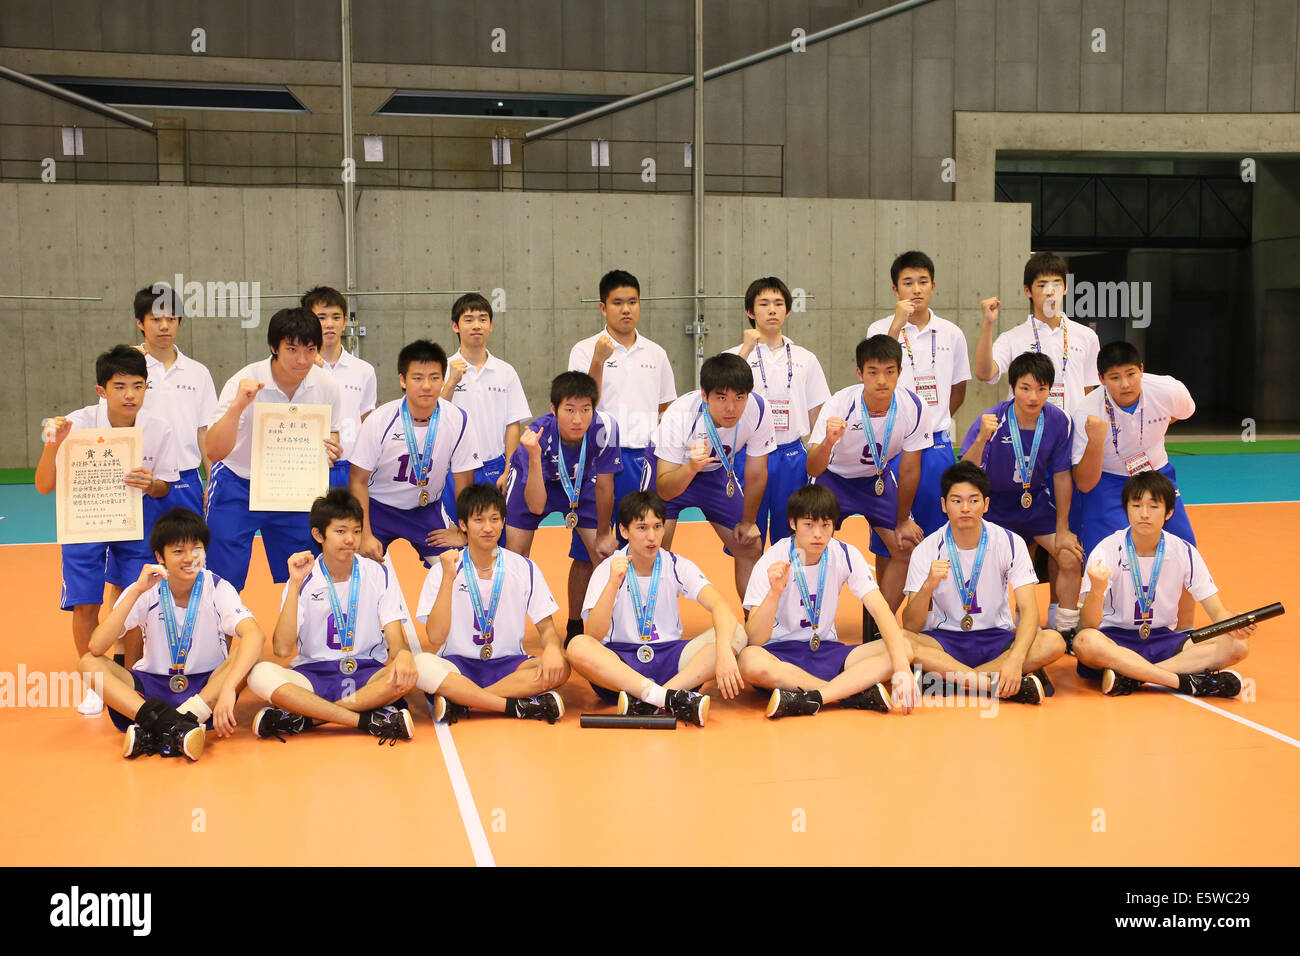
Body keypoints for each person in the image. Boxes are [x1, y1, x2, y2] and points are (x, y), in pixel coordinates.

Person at [35, 346, 180, 707]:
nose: (129, 395)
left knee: (135, 603)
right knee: (86, 604)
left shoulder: (159, 429)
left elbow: (166, 485)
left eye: (137, 386)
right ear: (102, 390)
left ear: (147, 388)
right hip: (84, 523)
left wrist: (152, 484)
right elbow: (43, 485)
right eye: (119, 386)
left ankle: (131, 678)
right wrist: (53, 445)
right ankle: (94, 682)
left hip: (134, 522)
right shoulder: (76, 424)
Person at [78, 508, 265, 760]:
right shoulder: (145, 589)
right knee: (88, 663)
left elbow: (255, 636)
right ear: (160, 556)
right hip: (151, 686)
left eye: (196, 549)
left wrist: (230, 688)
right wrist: (135, 591)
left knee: (249, 651)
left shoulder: (218, 587)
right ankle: (177, 726)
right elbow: (97, 646)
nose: (190, 558)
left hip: (206, 690)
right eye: (178, 551)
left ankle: (156, 728)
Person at [244, 489, 420, 744]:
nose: (350, 539)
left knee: (413, 669)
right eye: (340, 531)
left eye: (356, 531)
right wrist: (294, 585)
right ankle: (366, 718)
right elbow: (282, 649)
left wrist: (404, 655)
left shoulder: (377, 573)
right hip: (313, 674)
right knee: (259, 674)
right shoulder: (303, 577)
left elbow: (396, 639)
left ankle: (306, 717)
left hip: (367, 671)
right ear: (318, 534)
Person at [566, 491, 747, 726]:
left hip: (671, 661)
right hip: (621, 666)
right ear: (623, 531)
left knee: (736, 632)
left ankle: (654, 698)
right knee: (577, 645)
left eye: (657, 526)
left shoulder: (675, 564)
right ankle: (667, 698)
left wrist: (723, 651)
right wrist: (613, 584)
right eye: (642, 528)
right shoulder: (608, 569)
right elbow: (594, 635)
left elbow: (720, 605)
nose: (651, 536)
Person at [738, 484, 919, 719]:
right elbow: (754, 638)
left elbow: (879, 608)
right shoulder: (772, 560)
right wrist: (774, 593)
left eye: (826, 525)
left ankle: (814, 697)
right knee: (749, 661)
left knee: (904, 648)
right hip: (781, 654)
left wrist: (903, 668)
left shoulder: (844, 554)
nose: (818, 534)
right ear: (792, 524)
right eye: (809, 525)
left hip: (826, 650)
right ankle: (850, 692)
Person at [1072, 471, 1251, 697]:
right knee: (1085, 642)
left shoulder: (1183, 551)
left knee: (1237, 645)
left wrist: (1236, 624)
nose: (1144, 514)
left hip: (1163, 640)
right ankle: (1184, 682)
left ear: (1169, 512)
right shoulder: (1107, 549)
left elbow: (1217, 612)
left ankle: (1133, 678)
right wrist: (1097, 589)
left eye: (1153, 507)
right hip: (1114, 640)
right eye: (1136, 506)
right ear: (1126, 509)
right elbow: (1088, 623)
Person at [902, 462, 1066, 704]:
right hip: (946, 640)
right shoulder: (927, 549)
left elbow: (1030, 611)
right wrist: (928, 586)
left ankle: (955, 680)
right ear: (944, 505)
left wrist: (1015, 658)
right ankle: (991, 684)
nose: (965, 508)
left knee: (1053, 641)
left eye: (974, 500)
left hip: (996, 639)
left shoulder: (1010, 543)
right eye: (957, 501)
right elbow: (910, 624)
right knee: (900, 640)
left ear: (986, 504)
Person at [204, 307, 343, 591]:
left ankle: (294, 637)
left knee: (305, 578)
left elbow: (334, 434)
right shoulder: (244, 381)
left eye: (310, 349)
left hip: (294, 488)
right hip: (238, 484)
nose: (302, 359)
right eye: (292, 349)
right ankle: (220, 637)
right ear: (273, 348)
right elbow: (214, 451)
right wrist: (238, 406)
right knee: (222, 579)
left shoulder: (326, 385)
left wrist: (331, 451)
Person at [415, 484, 568, 723]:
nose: (488, 528)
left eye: (495, 519)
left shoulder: (524, 568)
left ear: (503, 521)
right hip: (458, 666)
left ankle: (462, 700)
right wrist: (448, 579)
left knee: (562, 667)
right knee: (421, 665)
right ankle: (513, 705)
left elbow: (547, 629)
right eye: (479, 520)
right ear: (463, 525)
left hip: (509, 666)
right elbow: (435, 638)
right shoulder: (442, 570)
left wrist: (551, 650)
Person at [961, 351, 1083, 643]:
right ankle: (1006, 624)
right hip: (995, 506)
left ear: (1050, 390)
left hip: (1035, 503)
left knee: (1069, 556)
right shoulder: (992, 419)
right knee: (998, 567)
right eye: (1025, 388)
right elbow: (964, 471)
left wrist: (1064, 528)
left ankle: (1063, 629)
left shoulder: (1058, 420)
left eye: (1041, 389)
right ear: (1013, 388)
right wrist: (981, 439)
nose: (1033, 396)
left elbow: (1062, 475)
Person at [806, 335, 929, 611]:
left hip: (877, 480)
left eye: (889, 372)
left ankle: (879, 626)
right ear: (860, 373)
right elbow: (813, 467)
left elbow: (909, 468)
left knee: (906, 545)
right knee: (812, 547)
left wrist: (902, 520)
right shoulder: (840, 404)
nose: (882, 380)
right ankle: (813, 620)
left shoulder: (914, 407)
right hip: (832, 480)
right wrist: (828, 441)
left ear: (900, 371)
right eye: (873, 372)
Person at [504, 371, 621, 636]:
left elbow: (605, 485)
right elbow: (535, 506)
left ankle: (587, 628)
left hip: (580, 486)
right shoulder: (535, 438)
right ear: (553, 409)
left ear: (594, 407)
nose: (578, 419)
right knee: (514, 559)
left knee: (605, 557)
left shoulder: (606, 428)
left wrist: (603, 534)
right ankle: (508, 633)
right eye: (569, 410)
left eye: (585, 409)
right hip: (535, 483)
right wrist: (534, 458)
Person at [865, 251, 970, 544]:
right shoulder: (880, 330)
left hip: (937, 445)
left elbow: (959, 387)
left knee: (938, 532)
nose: (916, 289)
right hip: (893, 443)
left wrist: (932, 421)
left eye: (923, 282)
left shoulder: (952, 333)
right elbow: (874, 375)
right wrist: (898, 325)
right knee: (890, 536)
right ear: (895, 290)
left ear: (933, 286)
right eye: (908, 283)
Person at [654, 353, 774, 600]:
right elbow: (665, 488)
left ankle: (755, 628)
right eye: (721, 398)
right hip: (673, 472)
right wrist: (690, 468)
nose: (731, 408)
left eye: (739, 397)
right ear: (704, 395)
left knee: (750, 546)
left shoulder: (759, 409)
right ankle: (653, 627)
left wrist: (749, 521)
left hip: (715, 473)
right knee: (653, 546)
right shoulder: (679, 415)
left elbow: (756, 472)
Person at [350, 339, 478, 564]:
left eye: (434, 377)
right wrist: (364, 534)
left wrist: (463, 530)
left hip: (425, 509)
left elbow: (463, 484)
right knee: (359, 568)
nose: (427, 386)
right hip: (378, 509)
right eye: (417, 378)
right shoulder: (380, 420)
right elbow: (358, 480)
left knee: (458, 568)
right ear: (403, 380)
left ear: (443, 379)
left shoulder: (458, 420)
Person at [724, 275, 831, 545]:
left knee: (794, 538)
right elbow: (723, 391)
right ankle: (753, 590)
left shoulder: (806, 358)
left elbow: (817, 410)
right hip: (748, 455)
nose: (772, 309)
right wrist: (747, 349)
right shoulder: (736, 355)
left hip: (792, 455)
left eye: (778, 303)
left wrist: (816, 451)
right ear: (750, 311)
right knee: (747, 540)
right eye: (763, 304)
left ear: (787, 310)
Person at [1070, 340, 1197, 556]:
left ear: (1141, 369)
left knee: (1185, 550)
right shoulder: (1086, 412)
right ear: (1101, 379)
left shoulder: (1169, 390)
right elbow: (1083, 483)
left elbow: (1183, 413)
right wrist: (1095, 441)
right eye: (1115, 377)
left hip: (1157, 472)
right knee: (1104, 554)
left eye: (1131, 374)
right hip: (1109, 479)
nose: (1125, 384)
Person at [974, 251, 1101, 417]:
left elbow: (1088, 389)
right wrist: (988, 324)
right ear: (1028, 291)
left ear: (1065, 288)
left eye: (1056, 284)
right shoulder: (1012, 338)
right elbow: (984, 374)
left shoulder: (1086, 336)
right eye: (1042, 285)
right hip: (1024, 433)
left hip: (1071, 434)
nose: (1050, 291)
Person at [439, 292, 531, 514]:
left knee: (494, 534)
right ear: (455, 326)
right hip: (453, 468)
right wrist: (451, 382)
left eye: (482, 319)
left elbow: (512, 425)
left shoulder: (505, 371)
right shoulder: (442, 368)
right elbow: (432, 416)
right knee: (457, 535)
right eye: (468, 320)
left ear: (491, 325)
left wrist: (509, 467)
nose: (476, 325)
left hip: (494, 467)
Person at [134, 283, 218, 516]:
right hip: (140, 478)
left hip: (186, 479)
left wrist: (211, 480)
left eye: (171, 319)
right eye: (155, 319)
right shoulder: (128, 370)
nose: (164, 326)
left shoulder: (198, 372)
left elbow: (204, 431)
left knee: (186, 550)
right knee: (138, 552)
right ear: (140, 323)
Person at [302, 286, 377, 489]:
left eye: (336, 317)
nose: (329, 324)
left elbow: (368, 420)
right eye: (321, 317)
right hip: (306, 464)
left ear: (345, 322)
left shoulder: (364, 370)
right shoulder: (297, 370)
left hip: (352, 464)